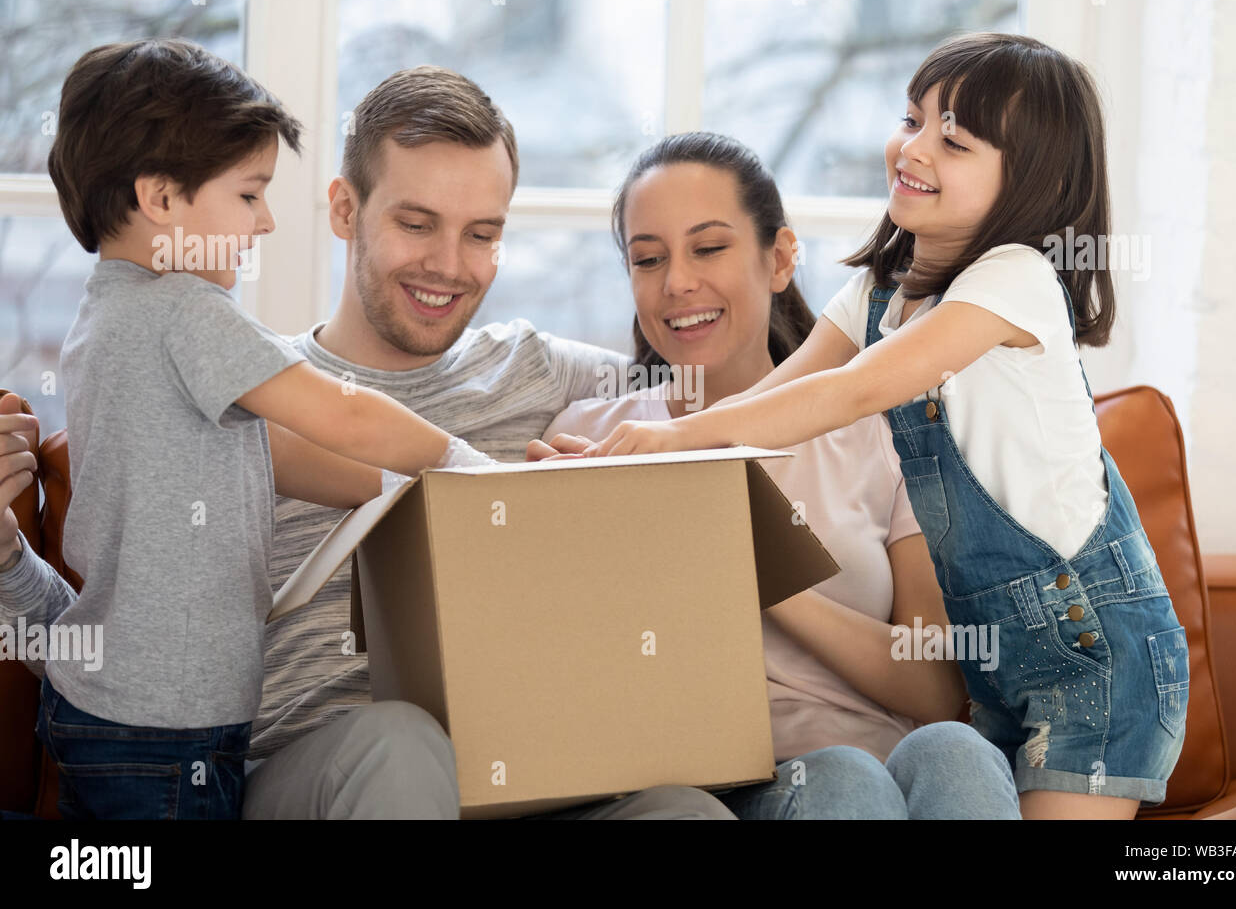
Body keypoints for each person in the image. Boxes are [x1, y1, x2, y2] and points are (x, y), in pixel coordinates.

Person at [0, 61, 732, 820]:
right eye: (416, 224)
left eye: (482, 234)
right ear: (345, 209)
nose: (449, 265)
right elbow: (106, 640)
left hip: (533, 778)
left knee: (687, 809)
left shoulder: (545, 371)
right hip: (329, 779)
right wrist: (5, 558)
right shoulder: (228, 386)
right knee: (399, 745)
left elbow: (720, 393)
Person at [579, 33, 1191, 819]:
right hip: (999, 657)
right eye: (912, 118)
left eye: (954, 138)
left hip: (1091, 652)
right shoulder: (879, 293)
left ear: (1031, 181)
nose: (914, 147)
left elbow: (854, 389)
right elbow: (778, 404)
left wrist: (674, 441)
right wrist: (628, 460)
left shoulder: (1016, 282)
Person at [532, 132, 1022, 818]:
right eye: (648, 259)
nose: (677, 283)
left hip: (892, 767)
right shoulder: (588, 438)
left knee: (959, 751)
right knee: (844, 779)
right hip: (726, 786)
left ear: (781, 258)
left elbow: (941, 689)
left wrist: (762, 578)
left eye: (708, 248)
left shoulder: (877, 431)